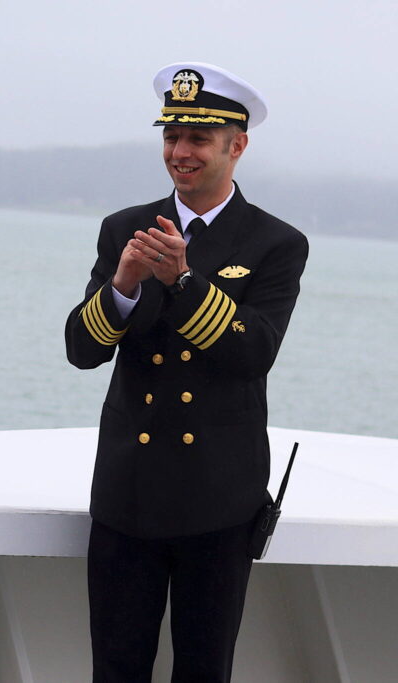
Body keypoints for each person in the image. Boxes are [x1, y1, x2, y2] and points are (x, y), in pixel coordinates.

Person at [64, 63, 308, 682]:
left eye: (199, 138)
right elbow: (82, 350)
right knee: (115, 669)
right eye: (171, 136)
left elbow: (254, 353)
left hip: (219, 496)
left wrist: (183, 282)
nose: (180, 152)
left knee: (203, 670)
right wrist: (122, 285)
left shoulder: (275, 243)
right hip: (129, 490)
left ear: (237, 145)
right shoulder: (126, 228)